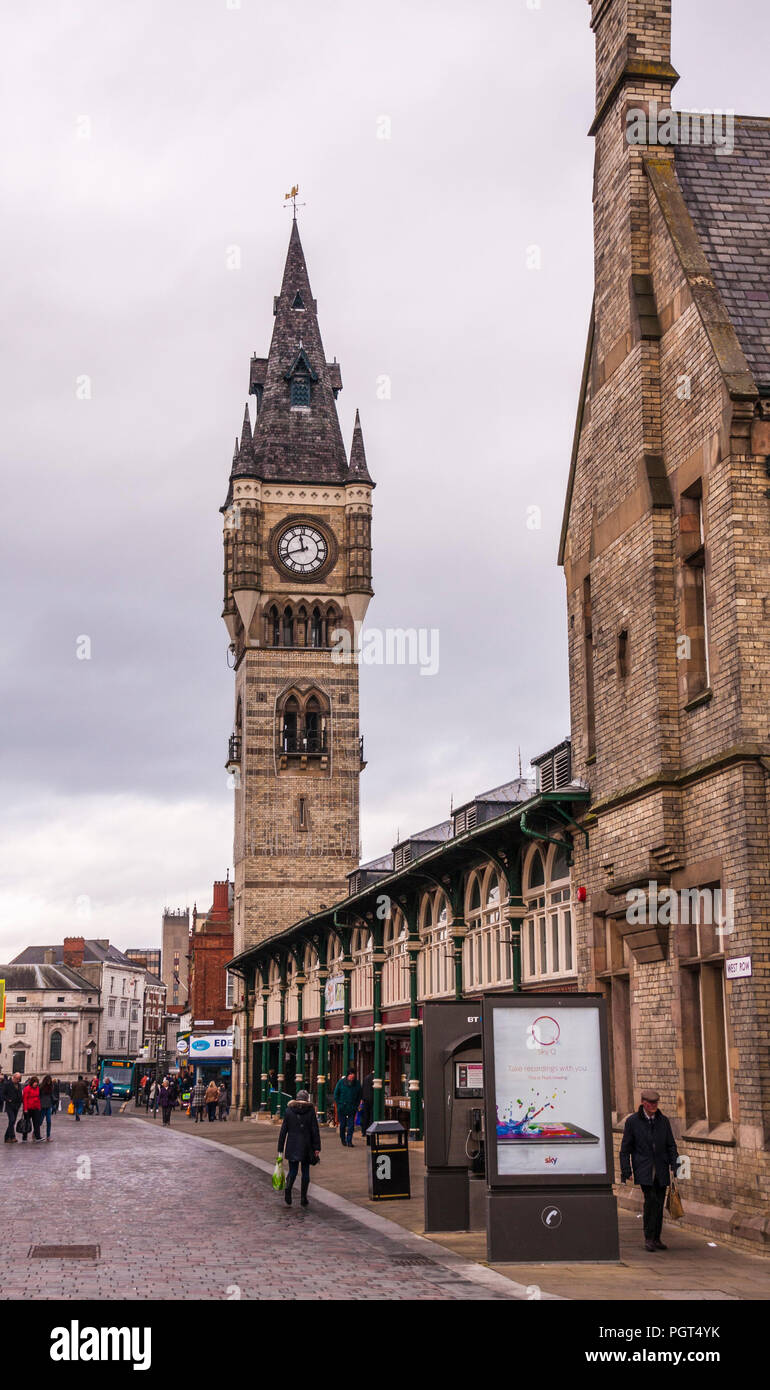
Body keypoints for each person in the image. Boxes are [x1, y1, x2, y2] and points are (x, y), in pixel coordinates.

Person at [620, 1088, 679, 1252]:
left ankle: (657, 1238)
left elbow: (670, 1145)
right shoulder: (633, 1121)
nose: (654, 1106)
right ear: (643, 1103)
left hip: (661, 1168)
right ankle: (649, 1237)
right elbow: (625, 1148)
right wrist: (626, 1170)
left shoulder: (663, 1121)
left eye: (655, 1103)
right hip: (644, 1169)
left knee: (659, 1203)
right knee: (650, 1201)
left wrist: (675, 1164)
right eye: (651, 1103)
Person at [277, 1089, 321, 1207]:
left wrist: (280, 1147)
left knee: (293, 1171)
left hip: (292, 1144)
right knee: (305, 1172)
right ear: (306, 1099)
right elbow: (315, 1130)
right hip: (307, 1145)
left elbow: (283, 1130)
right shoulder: (310, 1111)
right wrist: (317, 1147)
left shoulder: (289, 1110)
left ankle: (288, 1189)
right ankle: (303, 1197)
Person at [333, 1068, 362, 1148]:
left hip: (352, 1108)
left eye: (353, 1075)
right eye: (351, 1075)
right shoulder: (341, 1082)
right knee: (342, 1125)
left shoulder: (357, 1084)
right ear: (348, 1075)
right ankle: (343, 1139)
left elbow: (359, 1095)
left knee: (351, 1126)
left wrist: (356, 1105)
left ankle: (349, 1141)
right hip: (342, 1108)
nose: (352, 1077)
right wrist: (340, 1104)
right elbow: (336, 1094)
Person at [2, 1072, 23, 1143]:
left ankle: (9, 1137)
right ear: (13, 1077)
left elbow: (20, 1094)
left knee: (13, 1122)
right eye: (17, 1079)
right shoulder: (7, 1084)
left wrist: (21, 1101)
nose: (18, 1080)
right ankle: (10, 1137)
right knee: (12, 1120)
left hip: (17, 1106)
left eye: (19, 1079)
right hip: (9, 1106)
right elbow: (2, 1094)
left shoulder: (19, 1085)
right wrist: (8, 1099)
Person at [21, 1076, 43, 1142]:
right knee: (26, 1123)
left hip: (36, 1108)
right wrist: (25, 1109)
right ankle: (24, 1137)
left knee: (36, 1123)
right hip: (28, 1108)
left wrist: (39, 1107)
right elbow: (24, 1099)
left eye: (37, 1082)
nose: (36, 1084)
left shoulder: (37, 1088)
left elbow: (38, 1098)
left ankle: (37, 1136)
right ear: (32, 1082)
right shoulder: (27, 1088)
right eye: (35, 1082)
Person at [39, 1074, 56, 1141]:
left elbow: (51, 1096)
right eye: (48, 1080)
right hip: (42, 1106)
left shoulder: (51, 1087)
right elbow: (39, 1096)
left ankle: (48, 1136)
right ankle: (35, 1133)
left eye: (50, 1081)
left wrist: (53, 1103)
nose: (49, 1082)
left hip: (48, 1106)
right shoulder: (41, 1087)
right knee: (40, 1121)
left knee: (49, 1121)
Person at [360, 1070, 375, 1140]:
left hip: (365, 1099)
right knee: (371, 1116)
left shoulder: (366, 1078)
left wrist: (362, 1098)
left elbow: (362, 1088)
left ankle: (363, 1131)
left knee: (365, 1116)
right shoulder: (375, 1078)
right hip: (372, 1100)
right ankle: (370, 1131)